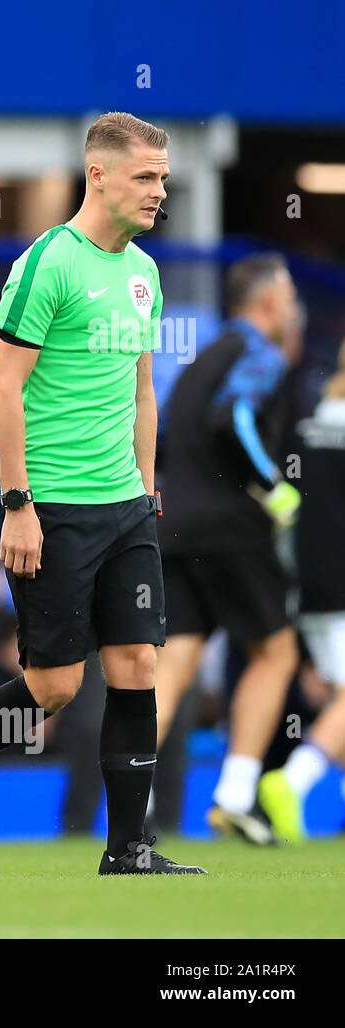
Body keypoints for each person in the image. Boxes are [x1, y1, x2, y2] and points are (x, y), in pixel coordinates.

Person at [0, 112, 206, 876]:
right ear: (98, 175)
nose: (159, 191)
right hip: (51, 508)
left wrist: (147, 487)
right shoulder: (49, 263)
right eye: (145, 176)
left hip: (125, 507)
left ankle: (127, 848)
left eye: (163, 177)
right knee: (54, 687)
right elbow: (0, 387)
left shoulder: (145, 272)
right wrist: (17, 503)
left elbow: (142, 388)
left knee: (138, 664)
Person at [153, 254, 303, 845]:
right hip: (231, 528)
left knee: (177, 661)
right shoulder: (259, 353)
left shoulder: (197, 362)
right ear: (268, 304)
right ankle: (236, 796)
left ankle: (128, 795)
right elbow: (232, 418)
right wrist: (274, 488)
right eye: (289, 297)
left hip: (176, 526)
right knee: (276, 653)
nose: (293, 309)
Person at [259, 341, 345, 842]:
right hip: (339, 584)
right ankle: (292, 780)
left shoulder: (313, 422)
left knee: (339, 697)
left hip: (308, 585)